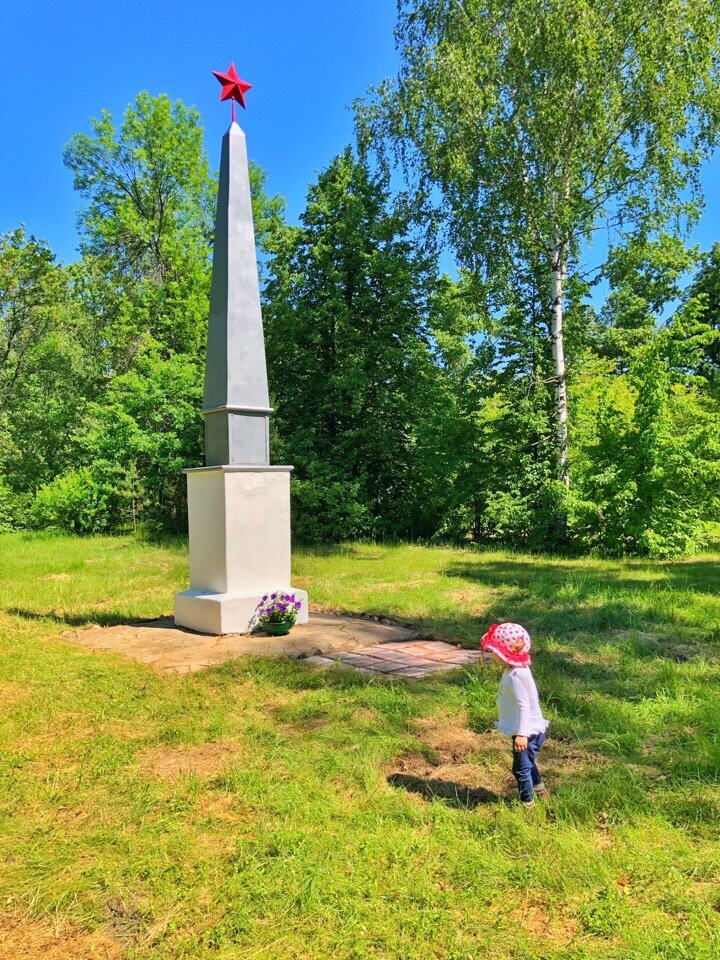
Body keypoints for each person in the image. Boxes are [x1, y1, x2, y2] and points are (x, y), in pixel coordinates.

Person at [481, 622, 549, 809]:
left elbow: (523, 705)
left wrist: (521, 734)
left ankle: (528, 806)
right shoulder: (514, 670)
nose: (492, 654)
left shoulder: (516, 675)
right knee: (527, 763)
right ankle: (540, 790)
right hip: (525, 730)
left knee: (520, 769)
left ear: (504, 653)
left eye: (494, 651)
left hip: (527, 732)